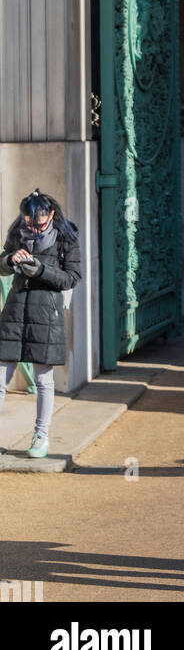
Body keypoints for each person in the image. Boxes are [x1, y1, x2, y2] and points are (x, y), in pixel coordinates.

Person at [0, 190, 82, 458]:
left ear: (52, 216)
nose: (34, 227)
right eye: (29, 222)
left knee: (44, 379)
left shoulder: (66, 238)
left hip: (47, 314)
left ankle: (41, 436)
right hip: (15, 310)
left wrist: (41, 270)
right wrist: (10, 260)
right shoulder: (17, 231)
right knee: (1, 376)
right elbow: (1, 264)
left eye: (40, 222)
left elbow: (72, 278)